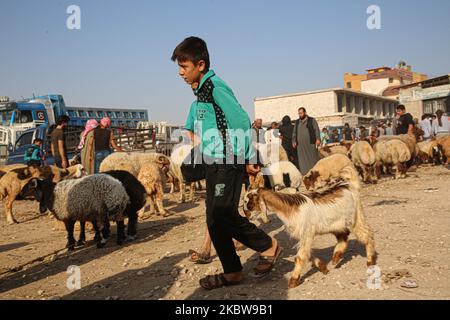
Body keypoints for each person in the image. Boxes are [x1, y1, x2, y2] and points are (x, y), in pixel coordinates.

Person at [172, 36, 281, 290]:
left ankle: (269, 247)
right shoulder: (200, 93)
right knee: (213, 218)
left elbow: (241, 121)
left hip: (227, 160)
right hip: (213, 161)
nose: (180, 72)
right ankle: (232, 271)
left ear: (200, 64)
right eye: (179, 67)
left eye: (184, 66)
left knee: (223, 213)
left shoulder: (215, 87)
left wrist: (249, 157)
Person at [292, 107, 321, 175]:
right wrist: (294, 141)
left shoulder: (312, 120)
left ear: (305, 113)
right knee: (302, 161)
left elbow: (316, 130)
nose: (300, 115)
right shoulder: (297, 122)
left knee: (313, 158)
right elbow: (294, 133)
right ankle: (305, 174)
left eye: (301, 113)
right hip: (300, 146)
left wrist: (318, 139)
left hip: (311, 144)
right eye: (299, 113)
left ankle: (314, 173)